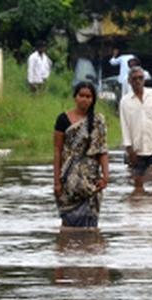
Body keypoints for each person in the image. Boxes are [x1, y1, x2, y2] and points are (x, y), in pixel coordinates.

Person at [53, 81, 109, 228]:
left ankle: (89, 247)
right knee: (67, 219)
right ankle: (67, 248)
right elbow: (57, 151)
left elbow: (102, 150)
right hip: (68, 178)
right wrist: (57, 182)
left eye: (88, 96)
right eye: (81, 95)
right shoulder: (63, 119)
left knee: (90, 223)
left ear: (93, 99)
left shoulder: (98, 121)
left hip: (90, 180)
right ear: (75, 97)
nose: (84, 99)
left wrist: (105, 176)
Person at [119, 66, 152, 194]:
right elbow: (124, 125)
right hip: (137, 148)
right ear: (129, 81)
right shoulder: (125, 101)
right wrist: (129, 149)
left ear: (144, 79)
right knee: (138, 182)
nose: (138, 81)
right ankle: (138, 209)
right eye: (134, 79)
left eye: (140, 78)